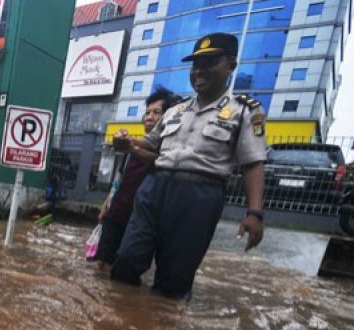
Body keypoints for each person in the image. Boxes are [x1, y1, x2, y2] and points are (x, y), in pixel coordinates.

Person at [110, 32, 266, 299]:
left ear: (231, 65)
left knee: (174, 279)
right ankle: (121, 321)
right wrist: (126, 142)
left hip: (199, 197)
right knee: (125, 260)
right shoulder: (175, 111)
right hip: (154, 189)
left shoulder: (246, 111)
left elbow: (253, 163)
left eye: (209, 63)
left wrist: (255, 213)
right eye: (195, 65)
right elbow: (150, 144)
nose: (199, 71)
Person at [93, 87, 180, 268]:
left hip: (141, 219)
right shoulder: (131, 146)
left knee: (127, 263)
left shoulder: (166, 151)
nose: (149, 117)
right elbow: (120, 176)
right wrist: (106, 203)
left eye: (157, 112)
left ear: (167, 118)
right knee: (102, 263)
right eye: (147, 112)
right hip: (117, 212)